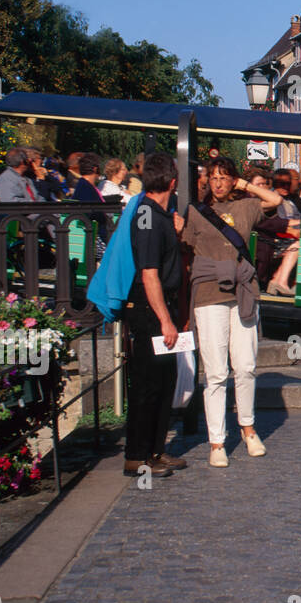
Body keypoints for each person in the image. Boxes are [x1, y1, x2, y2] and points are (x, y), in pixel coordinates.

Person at [182, 156, 281, 467]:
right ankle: (217, 441)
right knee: (215, 372)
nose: (218, 183)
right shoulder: (196, 213)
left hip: (242, 292)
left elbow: (275, 199)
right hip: (209, 294)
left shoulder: (246, 207)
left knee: (246, 364)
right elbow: (186, 252)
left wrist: (244, 184)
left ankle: (249, 429)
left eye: (224, 177)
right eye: (213, 178)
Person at [122, 152, 186, 478]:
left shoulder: (159, 215)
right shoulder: (147, 216)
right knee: (147, 384)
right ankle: (137, 455)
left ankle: (156, 449)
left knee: (165, 381)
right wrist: (165, 319)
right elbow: (149, 274)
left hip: (162, 306)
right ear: (172, 182)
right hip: (150, 310)